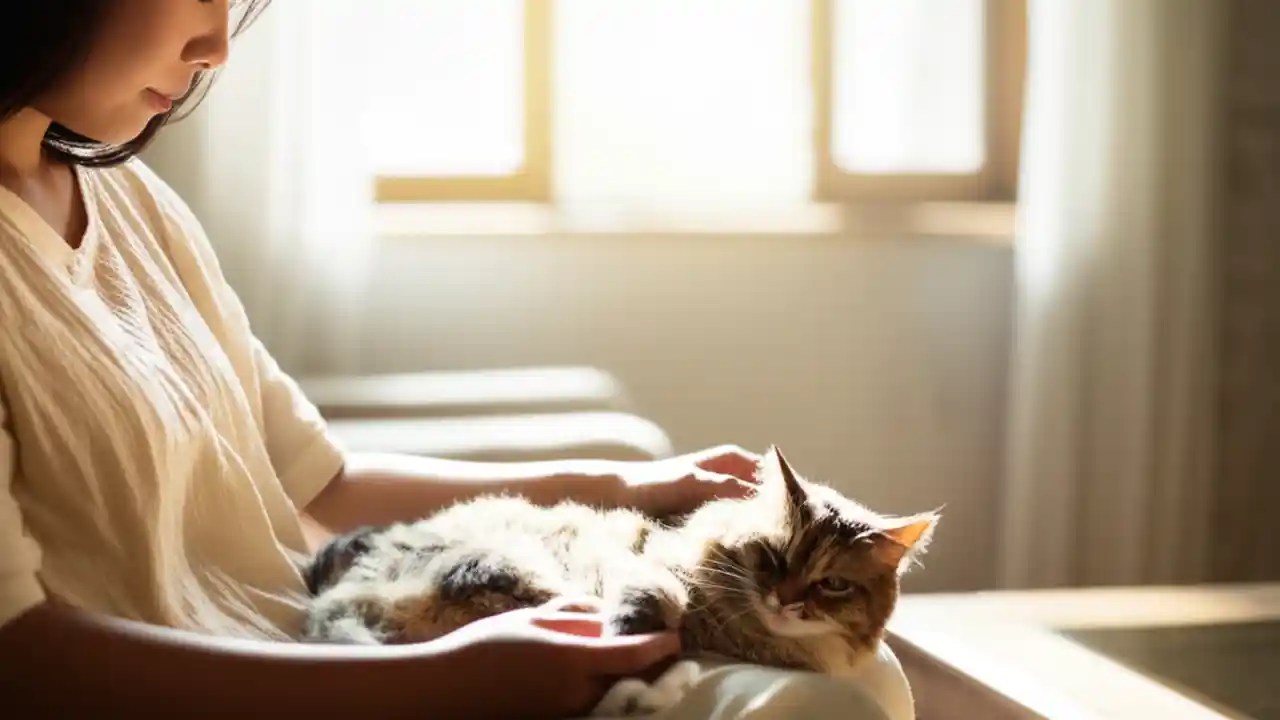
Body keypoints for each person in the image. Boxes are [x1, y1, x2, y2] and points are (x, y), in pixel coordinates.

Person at [0, 2, 907, 718]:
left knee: (861, 685)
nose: (216, 44)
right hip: (331, 688)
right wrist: (439, 683)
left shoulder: (133, 206)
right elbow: (20, 656)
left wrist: (624, 484)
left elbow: (325, 480)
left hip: (336, 652)